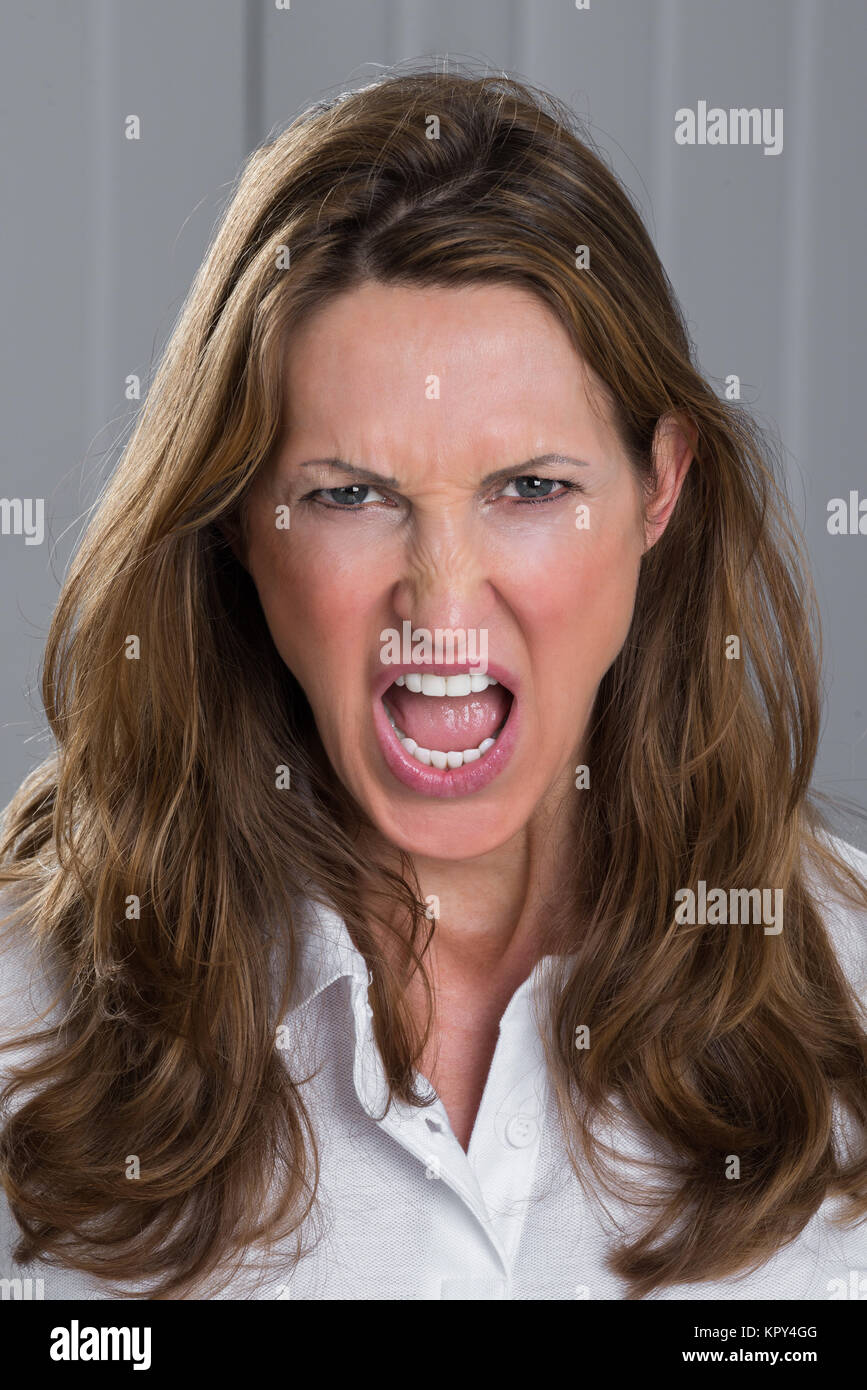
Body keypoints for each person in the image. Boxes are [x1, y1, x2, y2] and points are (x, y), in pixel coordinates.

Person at [1, 68, 865, 1301]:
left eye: (531, 488)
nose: (443, 604)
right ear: (240, 520)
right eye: (351, 495)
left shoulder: (852, 994)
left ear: (659, 490)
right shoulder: (21, 1015)